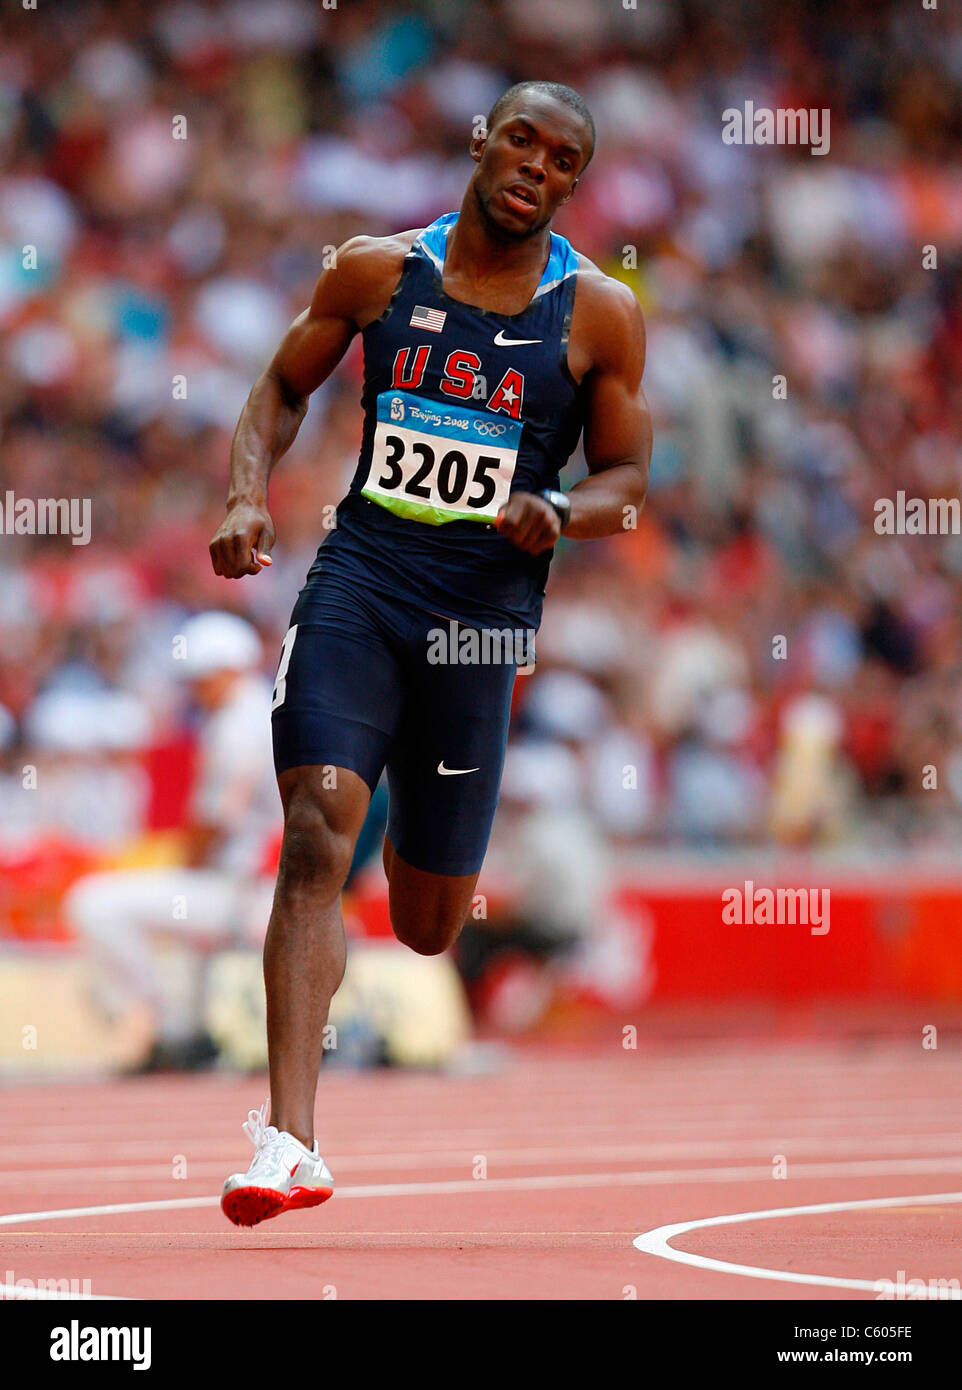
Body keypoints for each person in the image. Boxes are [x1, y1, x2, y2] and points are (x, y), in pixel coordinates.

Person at [210, 81, 652, 1226]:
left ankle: (426, 840)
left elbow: (627, 478)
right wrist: (248, 498)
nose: (535, 169)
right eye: (520, 140)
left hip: (478, 625)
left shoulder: (597, 312)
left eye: (562, 161)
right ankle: (287, 1139)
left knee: (425, 924)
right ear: (478, 139)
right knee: (314, 830)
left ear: (572, 184)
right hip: (361, 584)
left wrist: (557, 503)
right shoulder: (371, 270)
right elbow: (276, 387)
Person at [64, 611, 278, 1071]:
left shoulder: (239, 723)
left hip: (245, 892)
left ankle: (161, 1024)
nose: (195, 690)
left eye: (202, 678)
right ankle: (188, 1031)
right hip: (261, 887)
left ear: (229, 669)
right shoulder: (266, 708)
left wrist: (183, 867)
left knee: (93, 902)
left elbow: (214, 823)